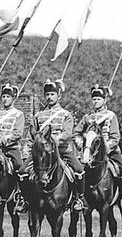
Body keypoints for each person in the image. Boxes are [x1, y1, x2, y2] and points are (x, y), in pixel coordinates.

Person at [33, 78, 85, 211]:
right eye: (47, 94)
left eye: (52, 94)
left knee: (79, 170)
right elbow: (32, 135)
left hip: (62, 151)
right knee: (22, 172)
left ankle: (78, 199)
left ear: (58, 96)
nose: (49, 97)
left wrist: (54, 141)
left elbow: (67, 133)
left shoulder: (66, 115)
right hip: (42, 153)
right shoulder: (38, 115)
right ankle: (24, 200)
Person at [80, 83, 122, 206]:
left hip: (110, 151)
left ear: (105, 100)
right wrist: (84, 146)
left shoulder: (111, 116)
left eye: (98, 99)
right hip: (91, 153)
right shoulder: (87, 117)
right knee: (79, 171)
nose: (96, 102)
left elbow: (115, 136)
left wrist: (106, 148)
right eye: (94, 99)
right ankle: (79, 198)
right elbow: (76, 133)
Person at [0, 83, 28, 210]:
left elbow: (18, 133)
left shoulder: (18, 114)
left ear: (13, 98)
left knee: (20, 168)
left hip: (11, 148)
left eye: (8, 97)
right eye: (3, 96)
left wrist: (3, 140)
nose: (5, 99)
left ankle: (21, 196)